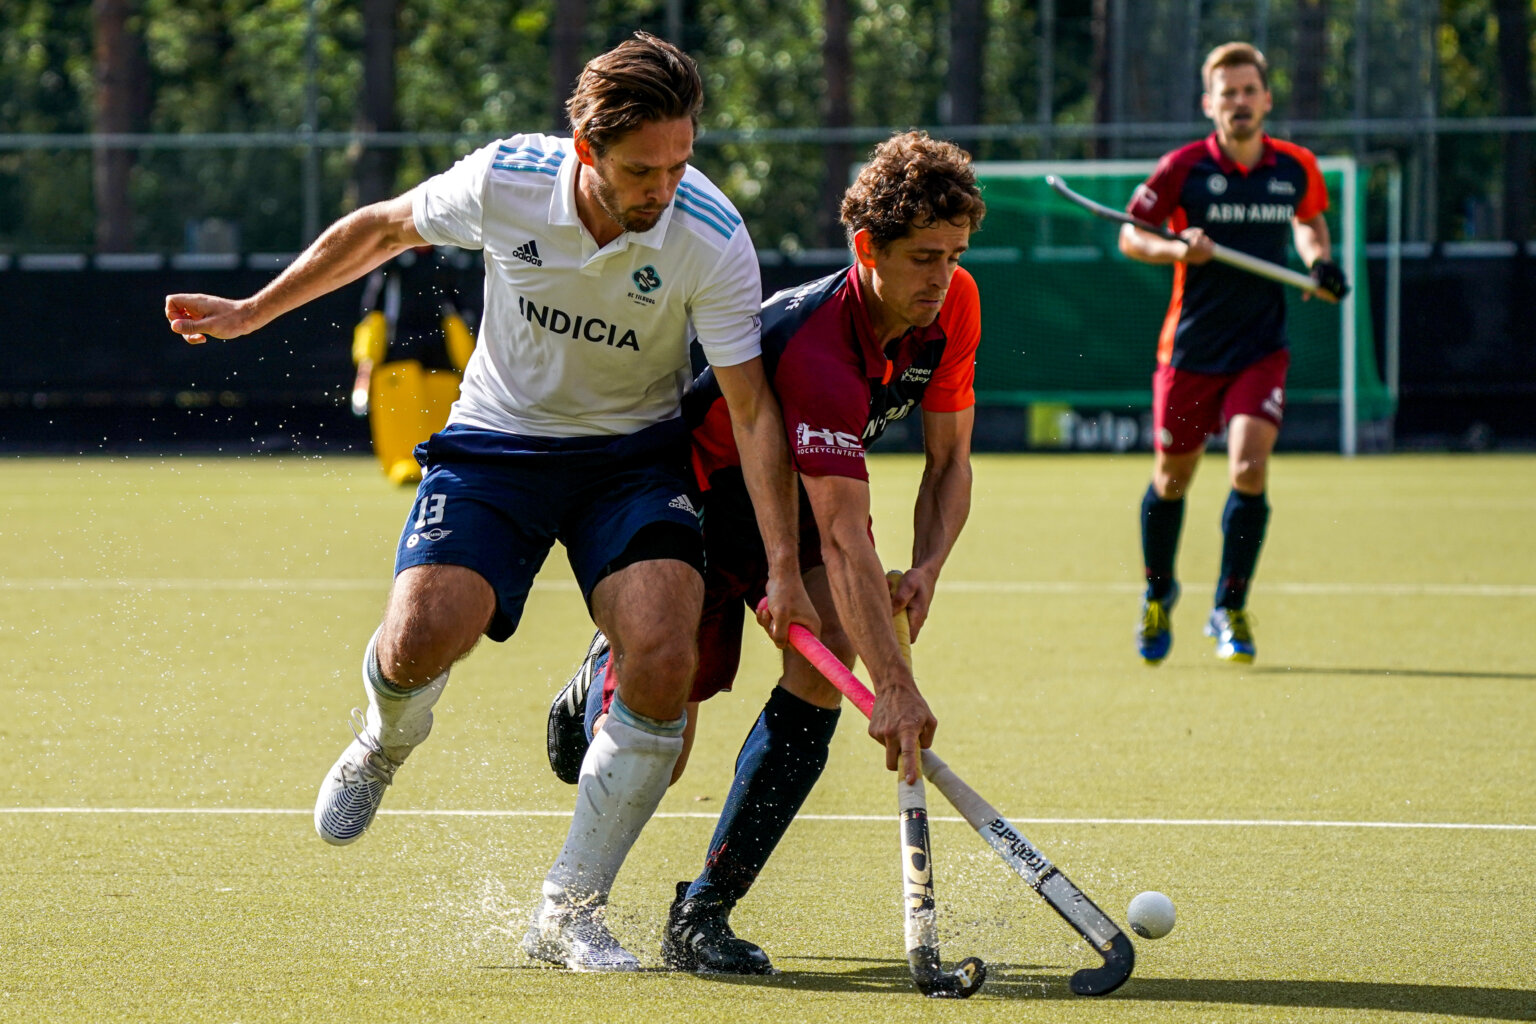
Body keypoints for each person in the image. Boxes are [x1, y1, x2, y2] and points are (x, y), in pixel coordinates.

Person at [164, 32, 817, 972]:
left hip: (633, 457)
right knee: (419, 638)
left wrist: (787, 570)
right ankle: (385, 739)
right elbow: (384, 228)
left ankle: (569, 910)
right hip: (499, 442)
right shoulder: (508, 178)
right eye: (641, 168)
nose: (663, 186)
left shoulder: (709, 236)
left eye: (680, 161)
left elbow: (752, 410)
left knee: (666, 651)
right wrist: (251, 312)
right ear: (586, 151)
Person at [545, 131, 986, 973]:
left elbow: (949, 461)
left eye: (955, 254)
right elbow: (843, 534)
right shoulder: (820, 346)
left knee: (828, 656)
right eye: (924, 256)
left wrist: (927, 567)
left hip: (789, 500)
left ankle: (702, 911)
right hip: (698, 496)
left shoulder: (953, 306)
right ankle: (615, 665)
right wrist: (895, 686)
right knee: (663, 750)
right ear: (868, 249)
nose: (942, 277)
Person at [1118, 41, 1348, 666]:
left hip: (1260, 347)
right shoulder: (1182, 167)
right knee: (1173, 479)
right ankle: (1159, 593)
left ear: (1266, 99)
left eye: (1249, 91)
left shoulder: (1295, 166)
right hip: (1191, 349)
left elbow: (1308, 221)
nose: (1240, 102)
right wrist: (1176, 250)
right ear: (1209, 104)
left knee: (1249, 470)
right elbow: (1131, 234)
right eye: (1228, 93)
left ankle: (1230, 605)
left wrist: (1317, 262)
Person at [350, 244, 477, 485]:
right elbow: (373, 309)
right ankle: (403, 460)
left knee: (438, 401)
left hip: (438, 346)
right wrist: (369, 354)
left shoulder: (444, 261)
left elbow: (458, 306)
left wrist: (465, 352)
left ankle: (436, 460)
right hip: (399, 344)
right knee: (402, 404)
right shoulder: (393, 262)